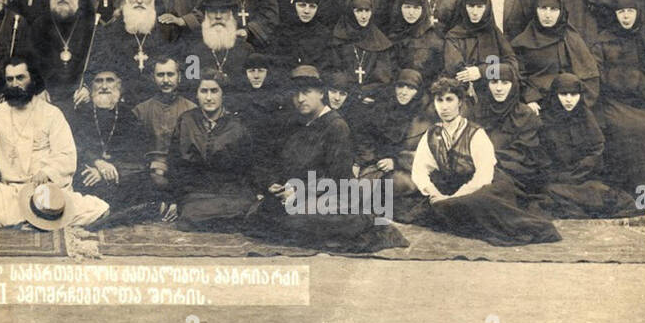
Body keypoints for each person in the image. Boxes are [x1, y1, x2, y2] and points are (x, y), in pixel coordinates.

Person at [246, 65, 408, 253]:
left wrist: (299, 191)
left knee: (298, 218)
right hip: (296, 195)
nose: (300, 99)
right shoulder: (295, 121)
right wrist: (273, 184)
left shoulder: (336, 127)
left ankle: (361, 221)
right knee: (259, 214)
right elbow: (276, 161)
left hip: (331, 196)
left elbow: (337, 180)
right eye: (296, 93)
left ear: (321, 93)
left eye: (306, 92)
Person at [399, 77, 561, 245]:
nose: (444, 107)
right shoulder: (431, 134)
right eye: (439, 100)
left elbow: (483, 176)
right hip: (452, 184)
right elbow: (419, 170)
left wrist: (452, 198)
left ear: (460, 102)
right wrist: (434, 194)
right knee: (425, 204)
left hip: (488, 186)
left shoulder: (475, 133)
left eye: (449, 100)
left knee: (475, 203)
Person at [0, 57, 110, 229]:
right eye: (9, 79)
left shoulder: (51, 113)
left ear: (32, 79)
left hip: (47, 187)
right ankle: (34, 221)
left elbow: (66, 154)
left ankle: (35, 220)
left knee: (96, 209)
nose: (15, 83)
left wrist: (47, 171)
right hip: (13, 189)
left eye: (20, 78)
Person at [593, 0, 645, 206]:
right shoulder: (603, 41)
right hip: (614, 101)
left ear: (637, 14)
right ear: (615, 15)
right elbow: (598, 75)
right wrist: (624, 81)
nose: (626, 17)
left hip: (644, 101)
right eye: (621, 12)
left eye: (630, 12)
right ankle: (626, 194)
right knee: (623, 126)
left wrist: (641, 87)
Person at [536, 73, 643, 219]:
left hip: (583, 178)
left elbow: (596, 149)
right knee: (549, 193)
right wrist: (561, 175)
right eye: (563, 94)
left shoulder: (585, 116)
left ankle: (578, 207)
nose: (569, 99)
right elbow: (541, 157)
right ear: (555, 95)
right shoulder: (544, 120)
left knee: (605, 194)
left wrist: (579, 172)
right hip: (557, 180)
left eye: (574, 94)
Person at [160, 75, 256, 229]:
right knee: (189, 215)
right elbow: (175, 163)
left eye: (214, 91)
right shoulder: (186, 120)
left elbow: (248, 165)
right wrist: (175, 199)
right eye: (204, 91)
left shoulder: (237, 125)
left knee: (246, 206)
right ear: (197, 94)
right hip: (197, 191)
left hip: (230, 191)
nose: (209, 97)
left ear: (222, 94)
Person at [72, 69, 159, 224]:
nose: (104, 86)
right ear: (91, 87)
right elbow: (75, 147)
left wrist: (113, 169)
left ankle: (106, 215)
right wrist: (97, 163)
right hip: (89, 172)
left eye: (109, 80)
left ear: (119, 85)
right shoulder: (81, 114)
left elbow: (138, 155)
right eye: (99, 81)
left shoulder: (129, 115)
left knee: (143, 179)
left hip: (119, 176)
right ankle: (117, 214)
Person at [511, 0, 601, 113]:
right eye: (543, 8)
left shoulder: (571, 38)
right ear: (535, 10)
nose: (547, 15)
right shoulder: (521, 43)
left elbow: (589, 75)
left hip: (569, 101)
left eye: (553, 9)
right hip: (538, 103)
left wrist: (576, 101)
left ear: (561, 12)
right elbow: (518, 76)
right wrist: (530, 98)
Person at [472, 58, 549, 198]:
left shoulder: (526, 114)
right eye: (494, 82)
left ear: (513, 85)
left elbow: (523, 152)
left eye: (505, 82)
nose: (499, 88)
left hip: (515, 172)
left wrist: (490, 162)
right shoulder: (477, 112)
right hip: (480, 168)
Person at [443, 0, 516, 103]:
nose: (475, 12)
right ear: (464, 7)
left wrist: (482, 71)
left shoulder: (494, 33)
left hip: (495, 93)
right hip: (465, 94)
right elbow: (456, 70)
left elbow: (511, 64)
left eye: (480, 7)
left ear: (486, 8)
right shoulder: (454, 36)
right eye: (470, 6)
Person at [329, 0, 395, 105]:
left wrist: (364, 92)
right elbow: (334, 71)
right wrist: (354, 93)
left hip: (370, 100)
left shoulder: (380, 41)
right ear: (350, 12)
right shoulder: (338, 39)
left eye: (367, 11)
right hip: (343, 99)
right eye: (358, 11)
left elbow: (383, 77)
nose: (364, 16)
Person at [386, 0, 444, 82]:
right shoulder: (394, 34)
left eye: (416, 8)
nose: (411, 13)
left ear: (423, 10)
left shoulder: (434, 37)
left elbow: (438, 71)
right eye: (407, 7)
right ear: (400, 8)